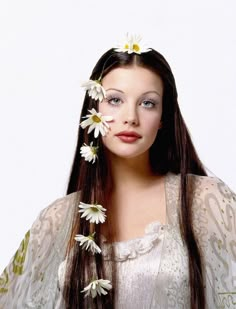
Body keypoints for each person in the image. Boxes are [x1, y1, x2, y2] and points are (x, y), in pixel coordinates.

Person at [0, 34, 235, 309]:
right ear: (94, 110)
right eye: (114, 100)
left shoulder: (205, 202)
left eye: (147, 103)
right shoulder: (57, 219)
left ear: (162, 118)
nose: (130, 117)